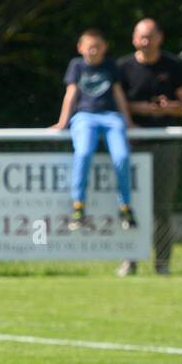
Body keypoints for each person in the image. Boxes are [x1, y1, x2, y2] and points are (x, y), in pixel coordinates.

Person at [117, 18, 182, 275]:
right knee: (131, 205)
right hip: (132, 146)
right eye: (140, 37)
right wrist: (142, 109)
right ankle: (129, 261)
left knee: (162, 208)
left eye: (149, 36)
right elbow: (117, 104)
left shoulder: (174, 66)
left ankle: (162, 264)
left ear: (160, 37)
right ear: (134, 39)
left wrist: (168, 106)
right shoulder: (122, 67)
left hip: (165, 146)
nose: (145, 41)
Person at [50, 29, 137, 232]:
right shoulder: (77, 66)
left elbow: (118, 94)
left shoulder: (111, 65)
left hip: (111, 117)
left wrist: (129, 122)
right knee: (83, 153)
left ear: (104, 47)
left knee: (122, 156)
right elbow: (71, 94)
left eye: (97, 46)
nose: (94, 51)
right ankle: (78, 206)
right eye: (90, 47)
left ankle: (125, 207)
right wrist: (63, 122)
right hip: (84, 117)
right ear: (80, 48)